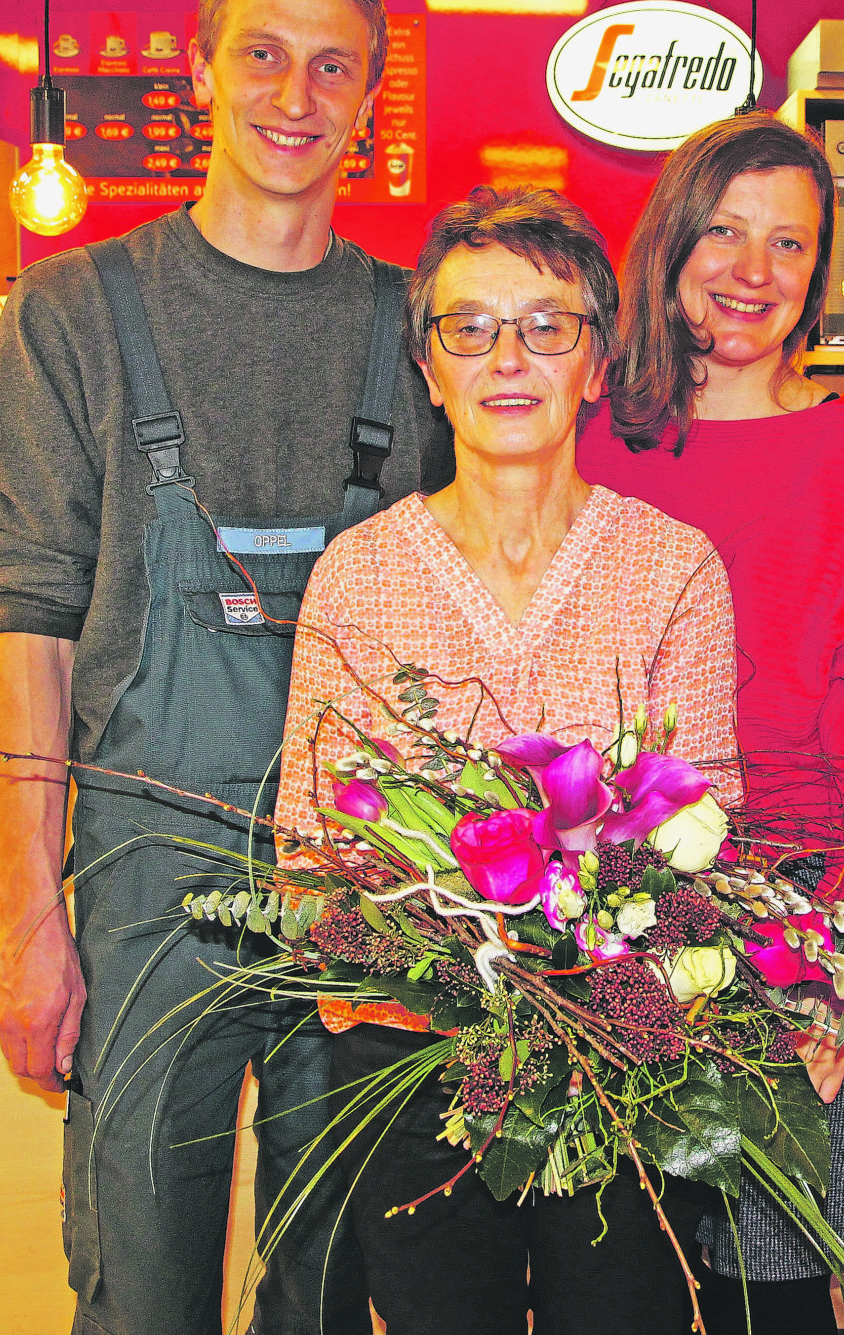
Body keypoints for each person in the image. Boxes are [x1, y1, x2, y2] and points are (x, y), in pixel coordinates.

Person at [0, 0, 448, 1335]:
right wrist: (28, 919)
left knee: (329, 1277)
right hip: (142, 891)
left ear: (369, 101)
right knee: (143, 1272)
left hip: (363, 886)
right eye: (262, 52)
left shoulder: (413, 325)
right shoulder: (72, 313)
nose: (294, 95)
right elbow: (34, 635)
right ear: (198, 72)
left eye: (332, 68)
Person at [276, 186, 741, 1335]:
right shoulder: (358, 575)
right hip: (413, 1067)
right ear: (428, 370)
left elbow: (710, 826)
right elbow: (309, 845)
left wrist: (595, 962)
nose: (507, 359)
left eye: (547, 325)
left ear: (595, 360)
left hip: (620, 1064)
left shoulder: (674, 567)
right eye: (467, 328)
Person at [575, 111, 844, 1331]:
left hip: (807, 911)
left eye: (788, 245)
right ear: (671, 244)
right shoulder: (594, 446)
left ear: (817, 274)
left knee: (798, 1281)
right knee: (634, 1277)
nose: (751, 271)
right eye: (725, 233)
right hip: (612, 920)